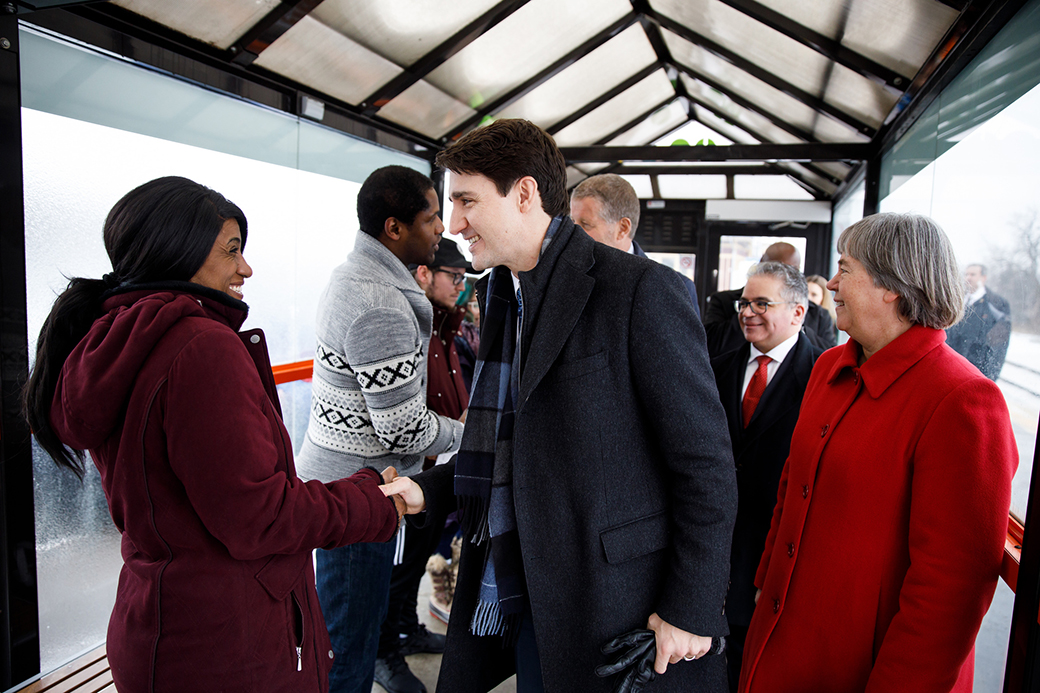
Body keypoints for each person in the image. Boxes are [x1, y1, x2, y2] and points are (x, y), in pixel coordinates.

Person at [384, 119, 737, 693]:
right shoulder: (506, 293)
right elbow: (518, 442)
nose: (454, 224)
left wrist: (691, 607)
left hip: (621, 611)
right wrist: (435, 488)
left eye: (467, 200)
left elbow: (705, 465)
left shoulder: (640, 291)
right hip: (532, 593)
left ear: (524, 194)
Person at [22, 176, 404, 692]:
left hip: (159, 623)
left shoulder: (117, 342)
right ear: (179, 251)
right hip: (224, 645)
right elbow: (260, 518)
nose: (246, 268)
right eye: (231, 250)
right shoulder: (200, 348)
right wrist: (374, 500)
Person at [738, 213, 1018, 693]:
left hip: (861, 668)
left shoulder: (963, 399)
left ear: (892, 285)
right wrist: (764, 583)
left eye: (845, 269)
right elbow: (792, 486)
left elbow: (952, 589)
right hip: (783, 639)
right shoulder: (829, 366)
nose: (830, 283)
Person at [295, 166, 465, 693]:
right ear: (394, 228)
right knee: (348, 652)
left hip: (345, 485)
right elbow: (402, 428)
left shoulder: (357, 275)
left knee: (348, 634)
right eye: (432, 216)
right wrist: (470, 436)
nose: (444, 228)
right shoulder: (380, 302)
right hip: (357, 493)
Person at [708, 263, 823, 692]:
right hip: (713, 545)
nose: (748, 312)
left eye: (762, 303)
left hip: (774, 549)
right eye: (744, 302)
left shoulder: (822, 377)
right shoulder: (714, 366)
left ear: (798, 312)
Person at [371, 239, 474, 693]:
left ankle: (407, 630)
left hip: (437, 473)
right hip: (408, 474)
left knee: (413, 566)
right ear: (425, 275)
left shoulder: (446, 327)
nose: (461, 287)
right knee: (395, 573)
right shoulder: (409, 328)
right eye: (454, 276)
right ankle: (384, 653)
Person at [570, 173, 700, 314]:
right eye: (572, 222)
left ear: (622, 228)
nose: (573, 233)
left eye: (586, 224)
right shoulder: (565, 277)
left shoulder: (675, 288)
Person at [704, 243, 836, 356]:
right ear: (761, 265)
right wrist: (751, 309)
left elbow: (828, 354)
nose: (779, 274)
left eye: (788, 270)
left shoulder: (817, 314)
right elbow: (710, 345)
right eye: (773, 267)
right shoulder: (725, 301)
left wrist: (795, 327)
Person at [946, 263, 1012, 381]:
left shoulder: (997, 304)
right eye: (966, 274)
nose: (968, 278)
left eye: (973, 274)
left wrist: (990, 378)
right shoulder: (956, 301)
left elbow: (999, 345)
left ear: (983, 277)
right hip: (952, 370)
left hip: (977, 372)